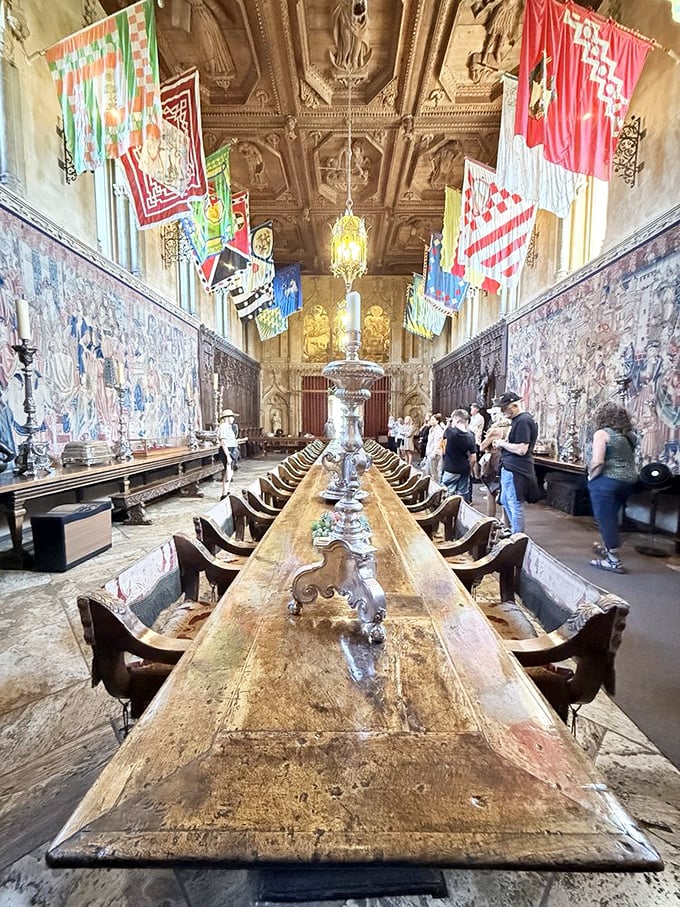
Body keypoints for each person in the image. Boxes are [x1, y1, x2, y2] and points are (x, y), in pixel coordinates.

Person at [587, 402, 638, 574]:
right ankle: (609, 548)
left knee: (605, 518)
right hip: (629, 481)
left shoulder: (602, 433)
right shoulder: (629, 435)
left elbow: (598, 461)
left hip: (608, 481)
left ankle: (613, 561)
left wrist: (591, 477)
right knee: (612, 517)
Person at [495, 391, 539, 533]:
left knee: (514, 503)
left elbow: (522, 449)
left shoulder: (523, 421)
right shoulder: (517, 421)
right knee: (506, 500)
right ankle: (514, 532)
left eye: (504, 408)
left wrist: (502, 443)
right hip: (509, 466)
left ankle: (517, 538)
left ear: (514, 405)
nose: (502, 412)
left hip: (516, 468)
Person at [478, 414, 511, 527]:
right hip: (507, 462)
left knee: (491, 491)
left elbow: (482, 447)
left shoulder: (495, 431)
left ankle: (490, 521)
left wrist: (487, 440)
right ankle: (506, 523)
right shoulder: (510, 430)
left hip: (494, 461)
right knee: (504, 493)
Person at [441, 409, 476, 502]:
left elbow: (442, 444)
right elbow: (473, 458)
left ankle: (448, 515)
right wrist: (469, 467)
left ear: (456, 419)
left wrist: (449, 424)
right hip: (464, 468)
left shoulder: (450, 432)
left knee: (448, 495)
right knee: (462, 495)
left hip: (450, 468)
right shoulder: (471, 435)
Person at [217, 408, 239, 499]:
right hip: (227, 450)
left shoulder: (229, 427)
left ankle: (226, 491)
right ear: (227, 417)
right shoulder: (223, 426)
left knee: (230, 471)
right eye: (232, 417)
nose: (233, 419)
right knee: (228, 472)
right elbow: (223, 442)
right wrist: (228, 456)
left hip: (231, 449)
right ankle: (224, 494)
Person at [424, 412, 445, 482]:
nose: (431, 421)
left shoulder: (438, 430)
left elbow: (438, 442)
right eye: (431, 420)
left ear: (437, 421)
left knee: (434, 472)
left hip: (434, 453)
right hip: (430, 451)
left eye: (433, 420)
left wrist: (434, 452)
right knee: (428, 471)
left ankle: (435, 487)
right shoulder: (431, 429)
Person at [469, 402, 485, 479]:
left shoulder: (479, 418)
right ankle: (472, 475)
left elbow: (472, 429)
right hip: (470, 440)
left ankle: (477, 476)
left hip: (476, 441)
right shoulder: (472, 418)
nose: (471, 409)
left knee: (474, 459)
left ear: (477, 409)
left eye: (473, 408)